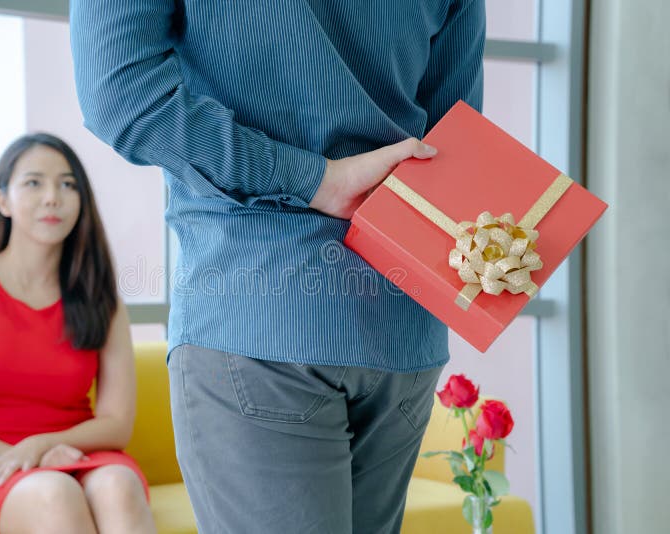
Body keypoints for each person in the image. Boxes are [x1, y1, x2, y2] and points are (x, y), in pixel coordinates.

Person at [70, 1, 485, 532]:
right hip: (402, 328)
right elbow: (454, 135)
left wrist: (314, 179)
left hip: (259, 317)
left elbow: (121, 96)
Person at [0, 133, 158, 534]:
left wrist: (41, 447)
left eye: (67, 184)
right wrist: (19, 456)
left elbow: (116, 423)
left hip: (79, 454)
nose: (52, 197)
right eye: (34, 182)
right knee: (53, 493)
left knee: (119, 485)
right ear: (2, 201)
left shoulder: (99, 296)